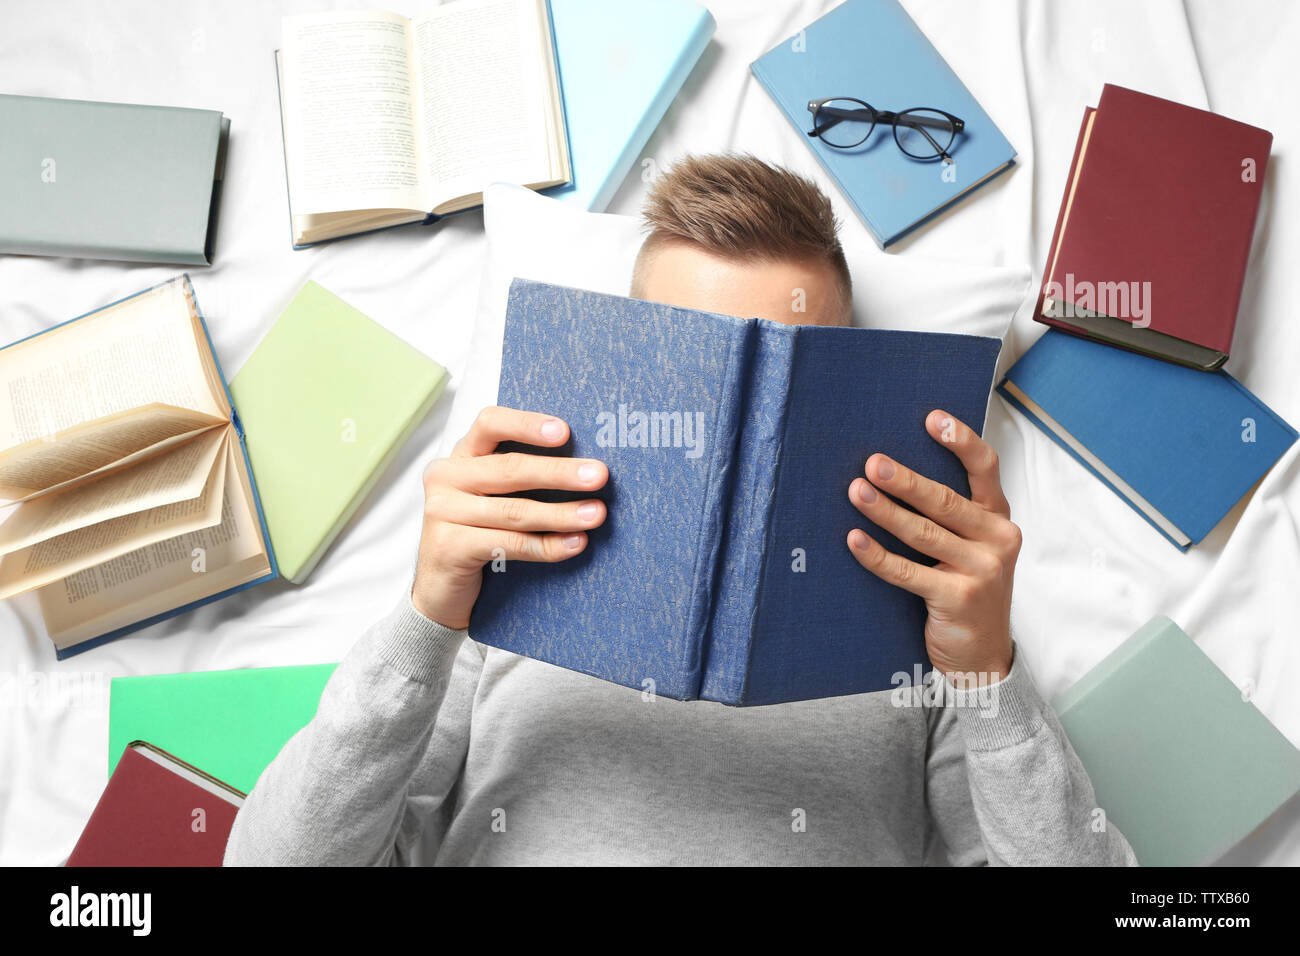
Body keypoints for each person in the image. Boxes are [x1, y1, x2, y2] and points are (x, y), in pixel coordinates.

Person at [225, 155, 1136, 866]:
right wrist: (425, 621)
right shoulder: (497, 597)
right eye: (687, 357)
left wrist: (988, 673)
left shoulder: (924, 635)